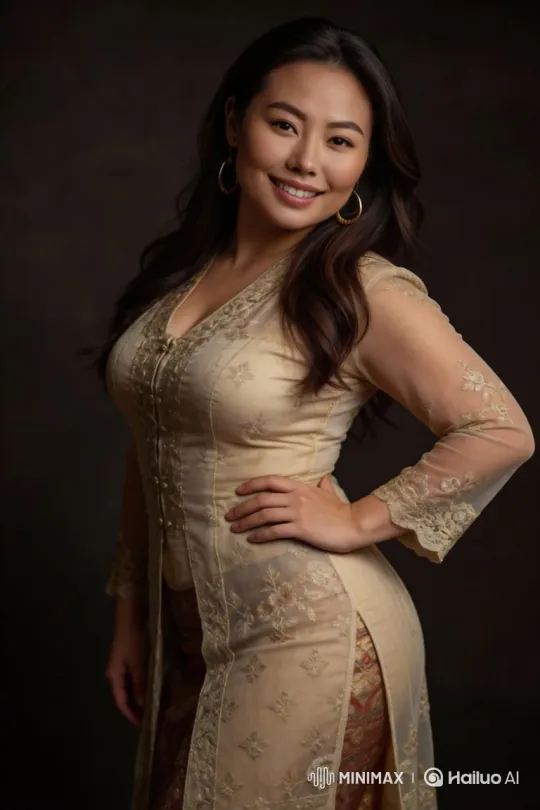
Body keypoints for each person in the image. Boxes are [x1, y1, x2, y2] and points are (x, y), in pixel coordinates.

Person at [91, 16, 534, 810]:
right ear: (235, 124)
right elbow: (152, 437)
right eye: (284, 124)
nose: (306, 161)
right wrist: (133, 615)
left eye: (340, 140)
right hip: (188, 636)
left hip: (312, 639)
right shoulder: (185, 277)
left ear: (365, 160)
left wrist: (358, 520)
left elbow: (501, 429)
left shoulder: (360, 288)